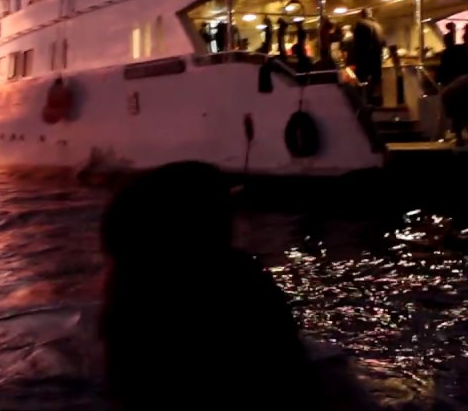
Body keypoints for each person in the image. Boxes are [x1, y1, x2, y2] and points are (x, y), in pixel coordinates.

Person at [98, 162, 379, 411]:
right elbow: (288, 372)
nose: (233, 211)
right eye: (225, 201)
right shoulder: (237, 280)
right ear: (200, 218)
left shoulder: (128, 292)